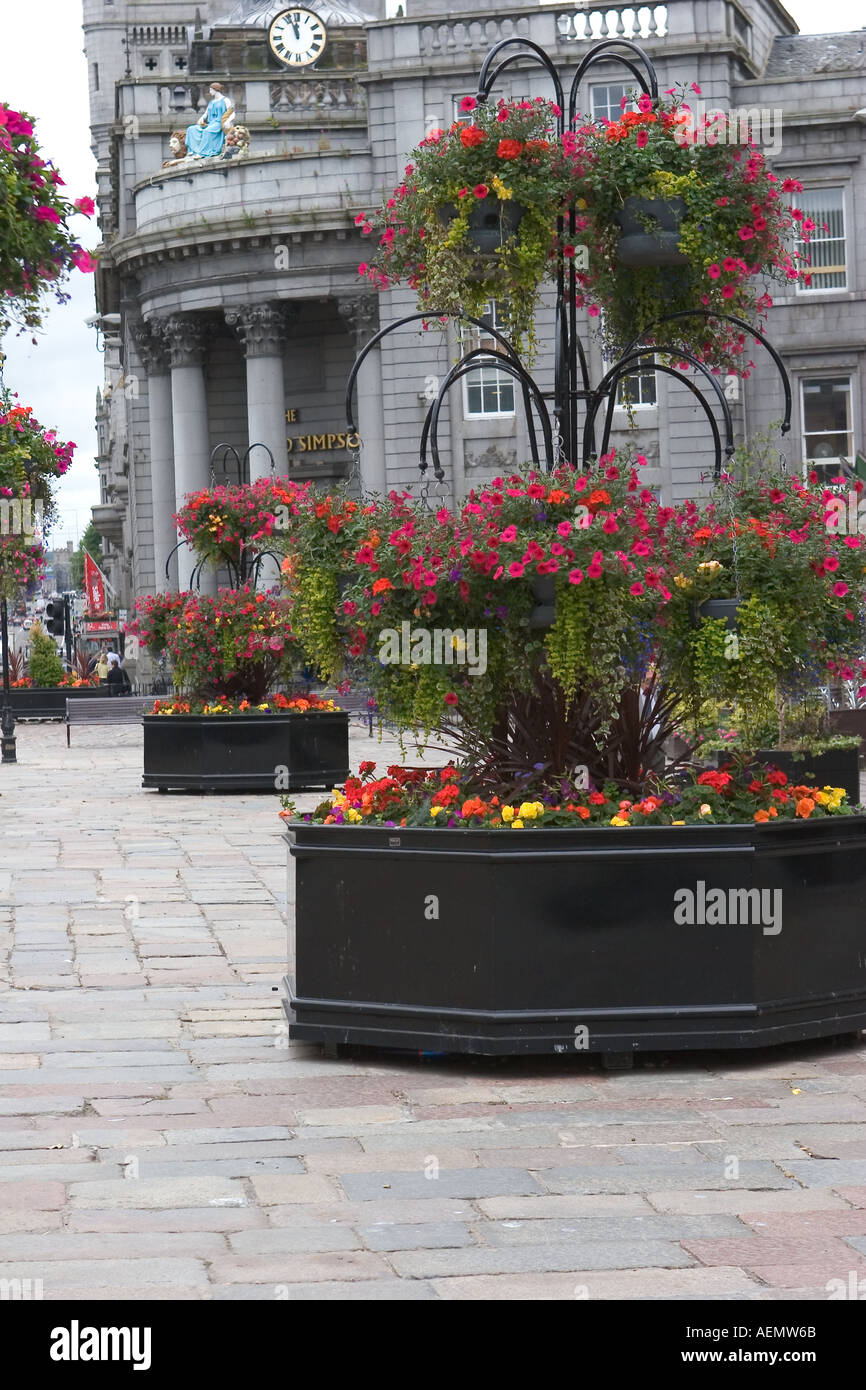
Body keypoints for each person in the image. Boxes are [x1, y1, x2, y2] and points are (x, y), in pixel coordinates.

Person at [186, 84, 234, 159]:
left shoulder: (225, 100)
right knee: (191, 129)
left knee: (207, 131)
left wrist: (228, 121)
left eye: (211, 90)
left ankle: (202, 153)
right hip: (210, 123)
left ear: (216, 90)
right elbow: (206, 113)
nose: (210, 92)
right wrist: (201, 118)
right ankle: (193, 151)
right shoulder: (211, 102)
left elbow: (232, 112)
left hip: (219, 123)